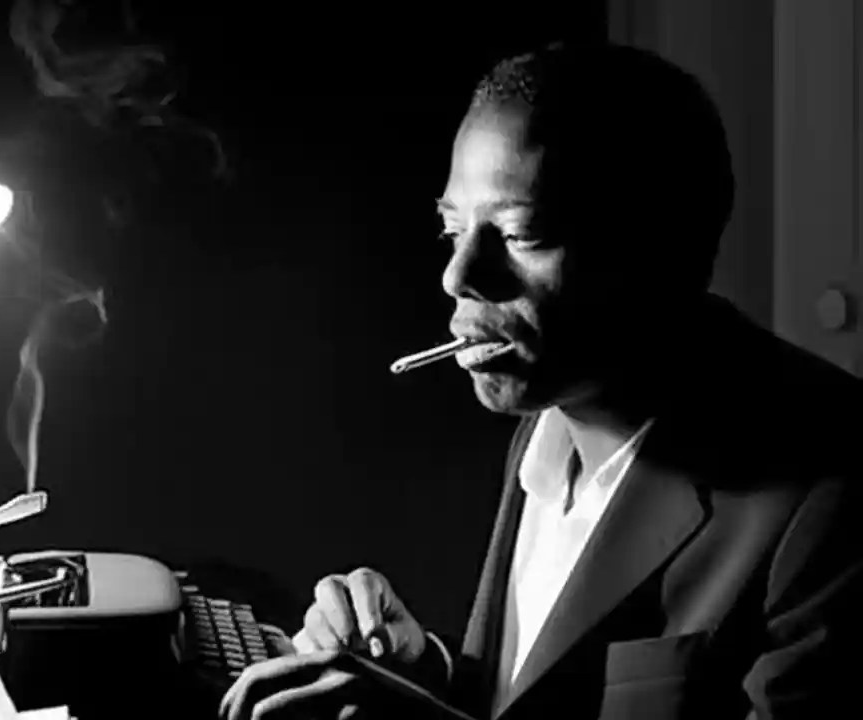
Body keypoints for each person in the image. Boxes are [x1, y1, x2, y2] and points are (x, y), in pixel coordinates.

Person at [219, 41, 861, 720]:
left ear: (656, 251)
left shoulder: (831, 497)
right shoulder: (547, 424)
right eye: (452, 229)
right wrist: (422, 674)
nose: (457, 276)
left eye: (521, 236)